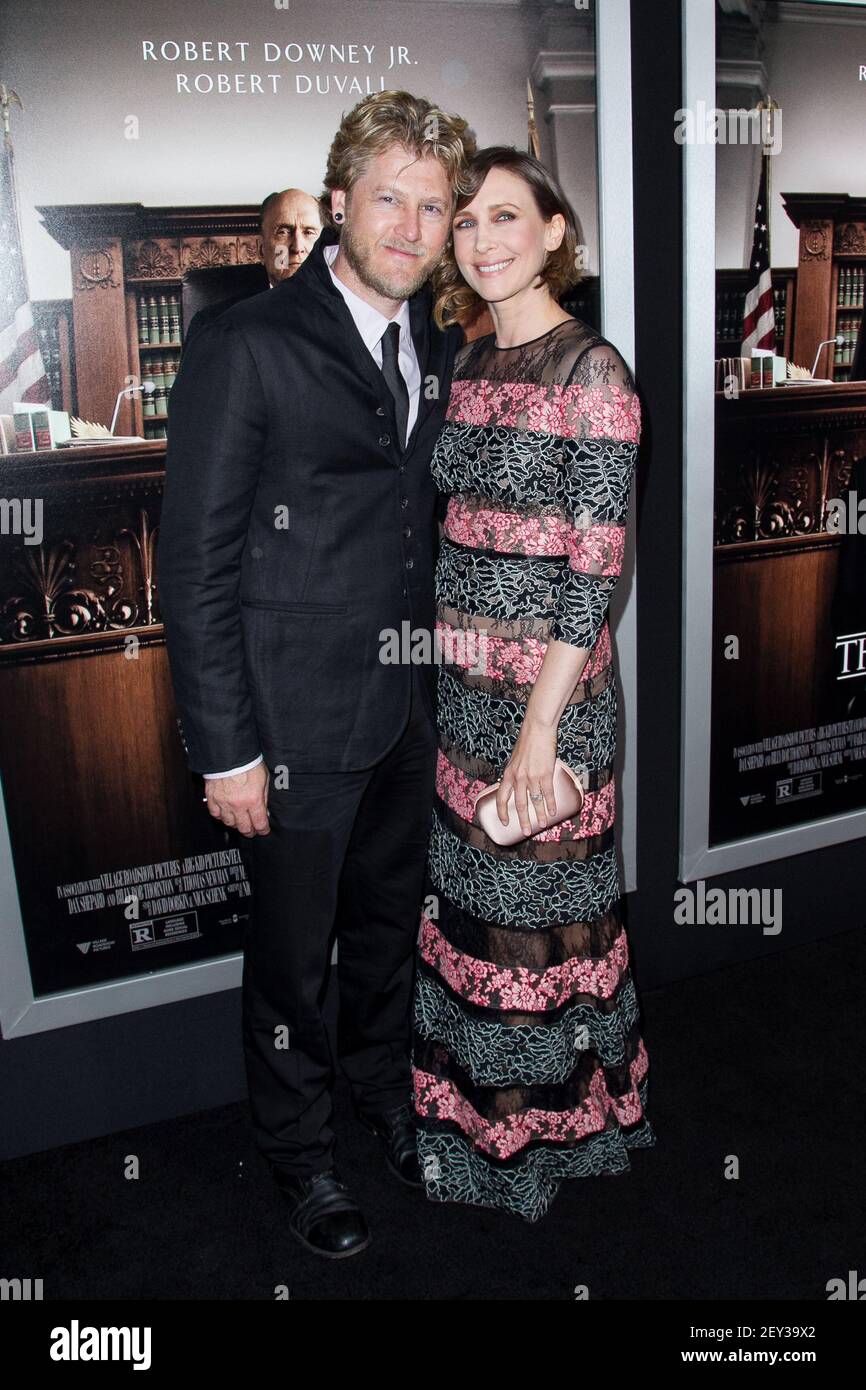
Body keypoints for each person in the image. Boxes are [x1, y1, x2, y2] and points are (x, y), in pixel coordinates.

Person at [157, 91, 475, 1259]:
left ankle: (384, 1103)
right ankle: (301, 1157)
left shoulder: (439, 343)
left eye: (430, 205)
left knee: (389, 931)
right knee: (294, 960)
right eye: (386, 196)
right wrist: (225, 746)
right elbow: (190, 565)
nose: (409, 223)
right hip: (287, 726)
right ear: (338, 201)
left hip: (408, 710)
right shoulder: (247, 342)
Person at [411, 146, 657, 1222]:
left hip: (550, 705)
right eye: (465, 223)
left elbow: (594, 569)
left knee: (537, 930)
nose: (483, 240)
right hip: (462, 697)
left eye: (507, 217)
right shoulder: (465, 363)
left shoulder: (591, 373)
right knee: (473, 917)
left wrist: (537, 732)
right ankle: (471, 1128)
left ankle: (540, 1142)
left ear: (556, 230)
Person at [183, 188, 323, 346]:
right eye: (283, 232)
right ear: (262, 249)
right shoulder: (213, 324)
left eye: (309, 232)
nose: (297, 247)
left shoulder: (347, 315)